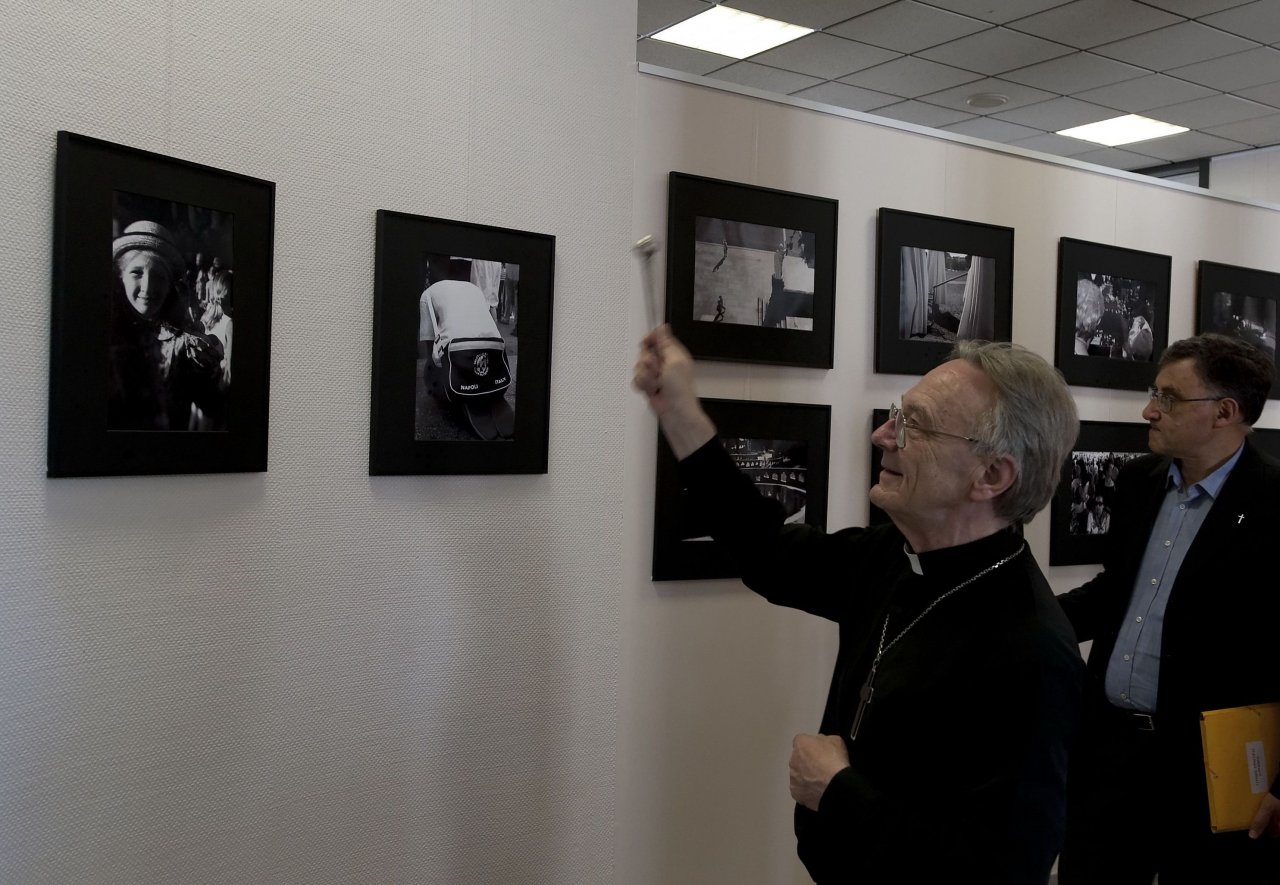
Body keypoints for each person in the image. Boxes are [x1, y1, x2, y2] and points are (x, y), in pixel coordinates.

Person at [634, 326, 1085, 883]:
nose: (882, 435)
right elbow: (768, 553)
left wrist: (840, 793)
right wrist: (679, 412)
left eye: (914, 424)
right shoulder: (893, 555)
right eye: (899, 413)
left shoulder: (1033, 649)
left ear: (990, 476)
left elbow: (1001, 869)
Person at [1056, 333, 1280, 883]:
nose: (1149, 410)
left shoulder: (1275, 503)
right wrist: (1029, 621)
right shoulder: (1139, 482)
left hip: (1210, 768)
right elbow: (1116, 593)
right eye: (1154, 392)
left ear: (1225, 412)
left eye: (1170, 398)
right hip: (1109, 750)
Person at [108, 220, 224, 431]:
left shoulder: (182, 346)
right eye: (137, 272)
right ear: (121, 276)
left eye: (159, 276)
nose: (147, 287)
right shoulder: (106, 338)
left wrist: (210, 371)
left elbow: (213, 406)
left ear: (170, 285)